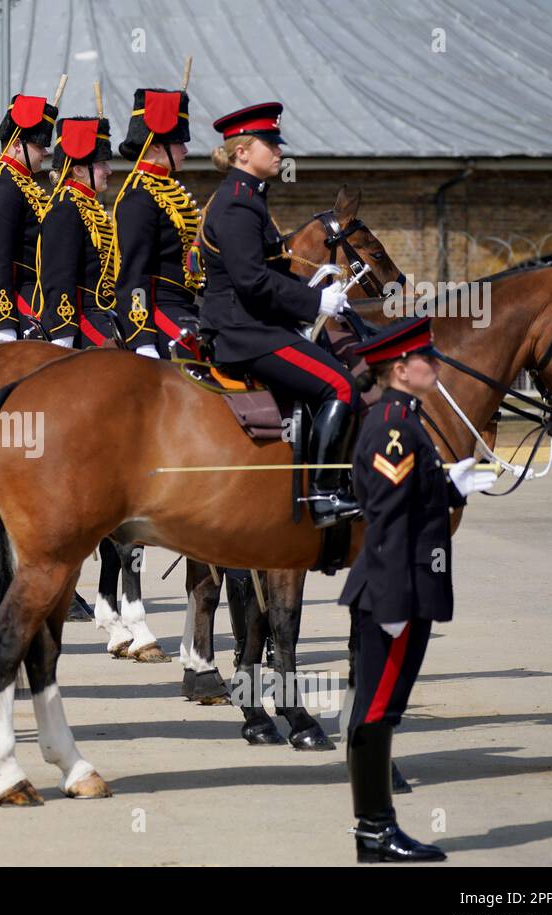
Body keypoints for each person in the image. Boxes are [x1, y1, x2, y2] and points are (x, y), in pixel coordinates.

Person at [337, 314, 497, 862]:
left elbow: (410, 495)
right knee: (375, 713)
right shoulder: (393, 427)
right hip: (394, 592)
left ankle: (376, 830)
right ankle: (375, 832)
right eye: (427, 358)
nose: (437, 364)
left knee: (383, 711)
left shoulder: (404, 420)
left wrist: (448, 485)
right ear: (402, 369)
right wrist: (391, 603)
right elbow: (383, 521)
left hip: (402, 588)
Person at [198, 101, 361, 528]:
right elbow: (251, 281)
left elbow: (268, 273)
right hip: (244, 331)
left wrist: (316, 292)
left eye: (276, 143)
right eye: (269, 143)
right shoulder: (237, 205)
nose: (278, 151)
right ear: (242, 152)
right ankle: (325, 495)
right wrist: (313, 304)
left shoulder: (250, 198)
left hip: (255, 322)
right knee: (340, 387)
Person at [111, 87, 203, 361]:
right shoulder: (139, 198)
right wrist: (142, 338)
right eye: (179, 143)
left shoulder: (166, 189)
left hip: (186, 304)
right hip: (158, 309)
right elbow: (134, 274)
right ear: (155, 146)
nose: (185, 150)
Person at [0, 92, 57, 341]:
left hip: (35, 291)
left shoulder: (20, 182)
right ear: (18, 145)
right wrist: (4, 323)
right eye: (39, 145)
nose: (45, 152)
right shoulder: (3, 184)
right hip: (17, 297)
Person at [35, 116, 119, 348]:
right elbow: (58, 274)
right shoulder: (66, 206)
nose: (109, 170)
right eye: (102, 164)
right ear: (80, 170)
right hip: (82, 317)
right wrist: (63, 334)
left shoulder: (86, 204)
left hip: (104, 313)